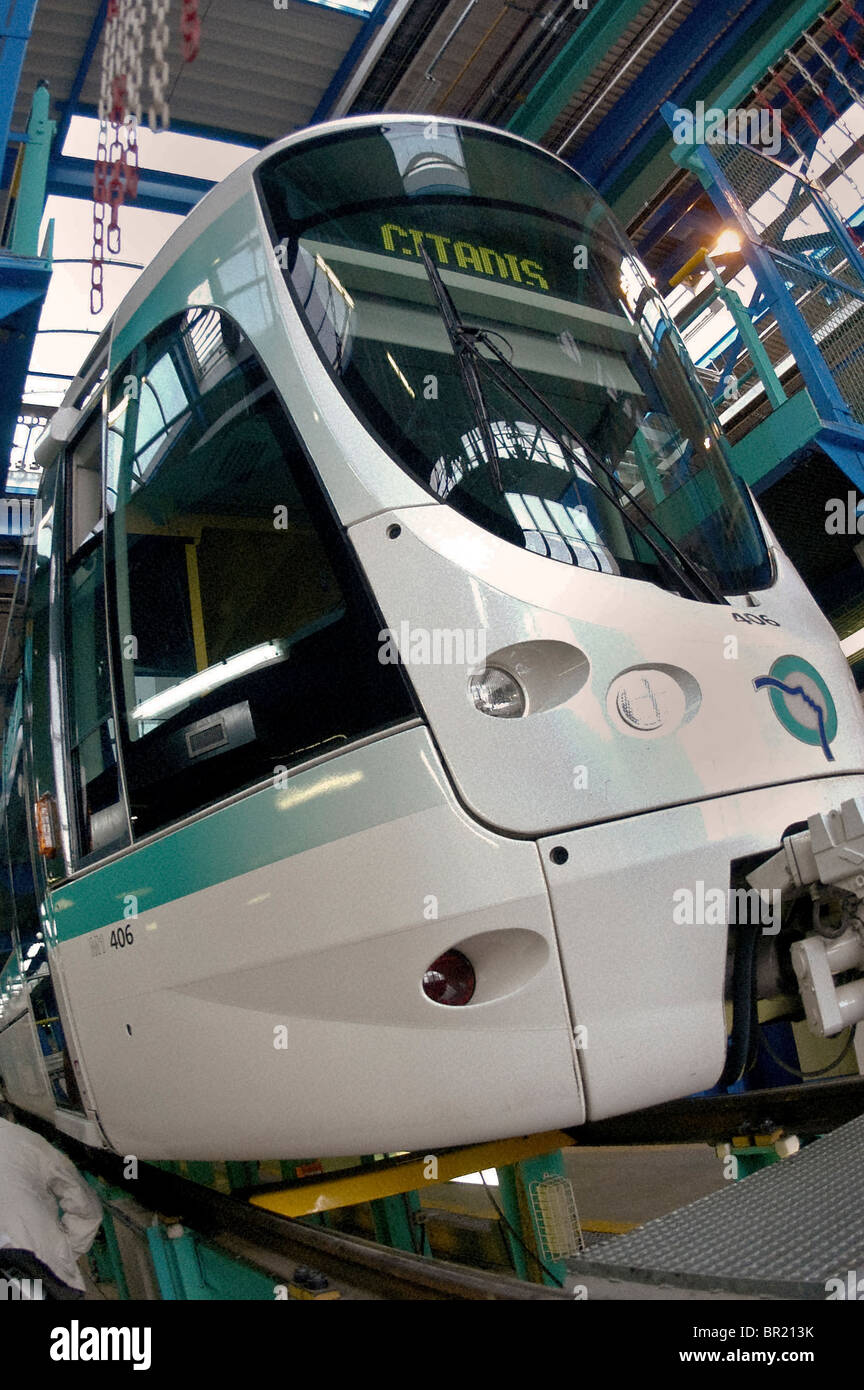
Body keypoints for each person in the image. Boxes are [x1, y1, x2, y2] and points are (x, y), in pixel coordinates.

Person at [0, 1102, 102, 1298]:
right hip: (37, 1264)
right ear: (9, 1115)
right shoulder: (26, 1141)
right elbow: (85, 1206)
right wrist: (65, 1251)